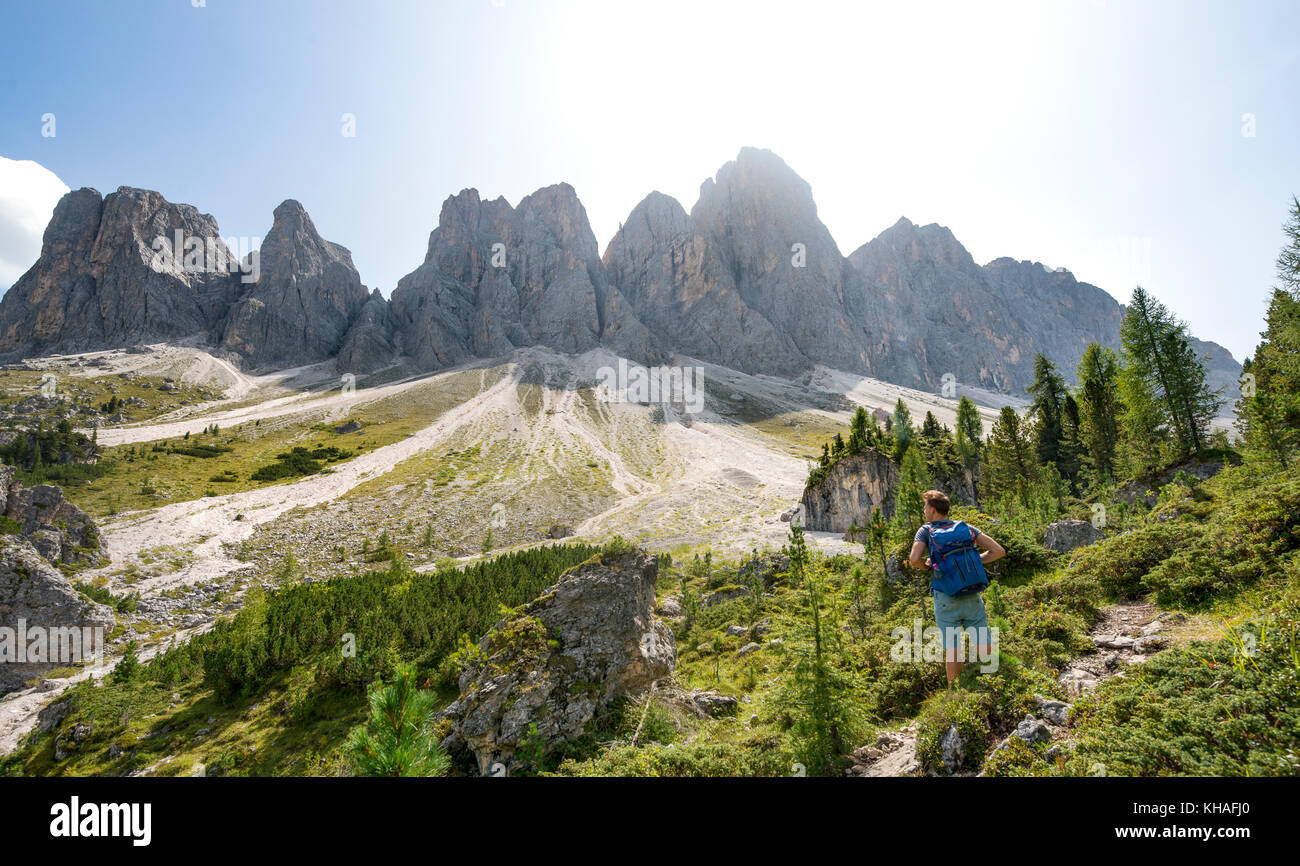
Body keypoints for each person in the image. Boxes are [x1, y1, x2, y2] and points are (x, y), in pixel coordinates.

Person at [908, 489, 1005, 685]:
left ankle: (956, 692)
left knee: (953, 646)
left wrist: (927, 567)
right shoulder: (965, 527)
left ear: (933, 509)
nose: (924, 511)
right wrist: (975, 562)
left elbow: (914, 559)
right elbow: (998, 551)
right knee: (981, 636)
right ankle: (995, 682)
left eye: (926, 507)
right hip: (971, 593)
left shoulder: (926, 530)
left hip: (945, 596)